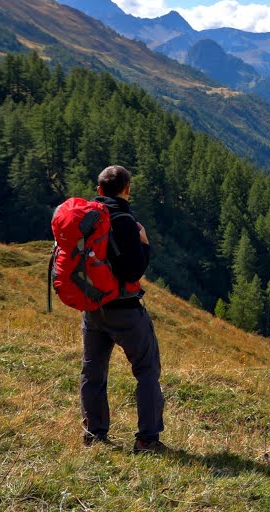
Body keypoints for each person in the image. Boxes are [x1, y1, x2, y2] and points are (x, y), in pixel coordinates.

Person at [80, 165, 167, 453]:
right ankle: (146, 439)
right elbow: (133, 271)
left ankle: (94, 434)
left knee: (93, 370)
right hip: (124, 309)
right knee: (146, 369)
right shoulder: (125, 220)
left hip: (92, 307)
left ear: (98, 190)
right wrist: (144, 244)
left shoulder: (85, 217)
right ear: (127, 190)